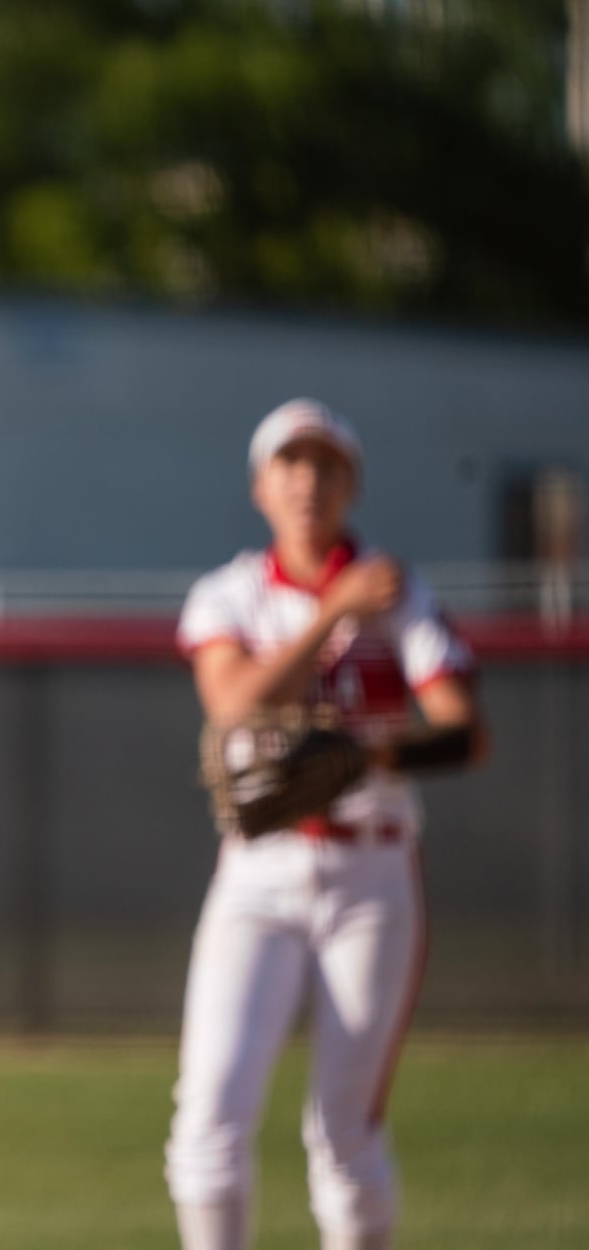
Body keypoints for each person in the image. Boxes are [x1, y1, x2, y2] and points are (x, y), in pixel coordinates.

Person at [164, 399, 489, 1250]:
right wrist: (333, 610)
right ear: (260, 485)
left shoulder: (397, 589)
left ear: (351, 483)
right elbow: (233, 703)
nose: (308, 480)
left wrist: (367, 754)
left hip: (372, 877)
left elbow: (465, 731)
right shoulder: (231, 592)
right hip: (260, 872)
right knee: (208, 1120)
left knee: (344, 1130)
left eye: (327, 464)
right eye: (290, 463)